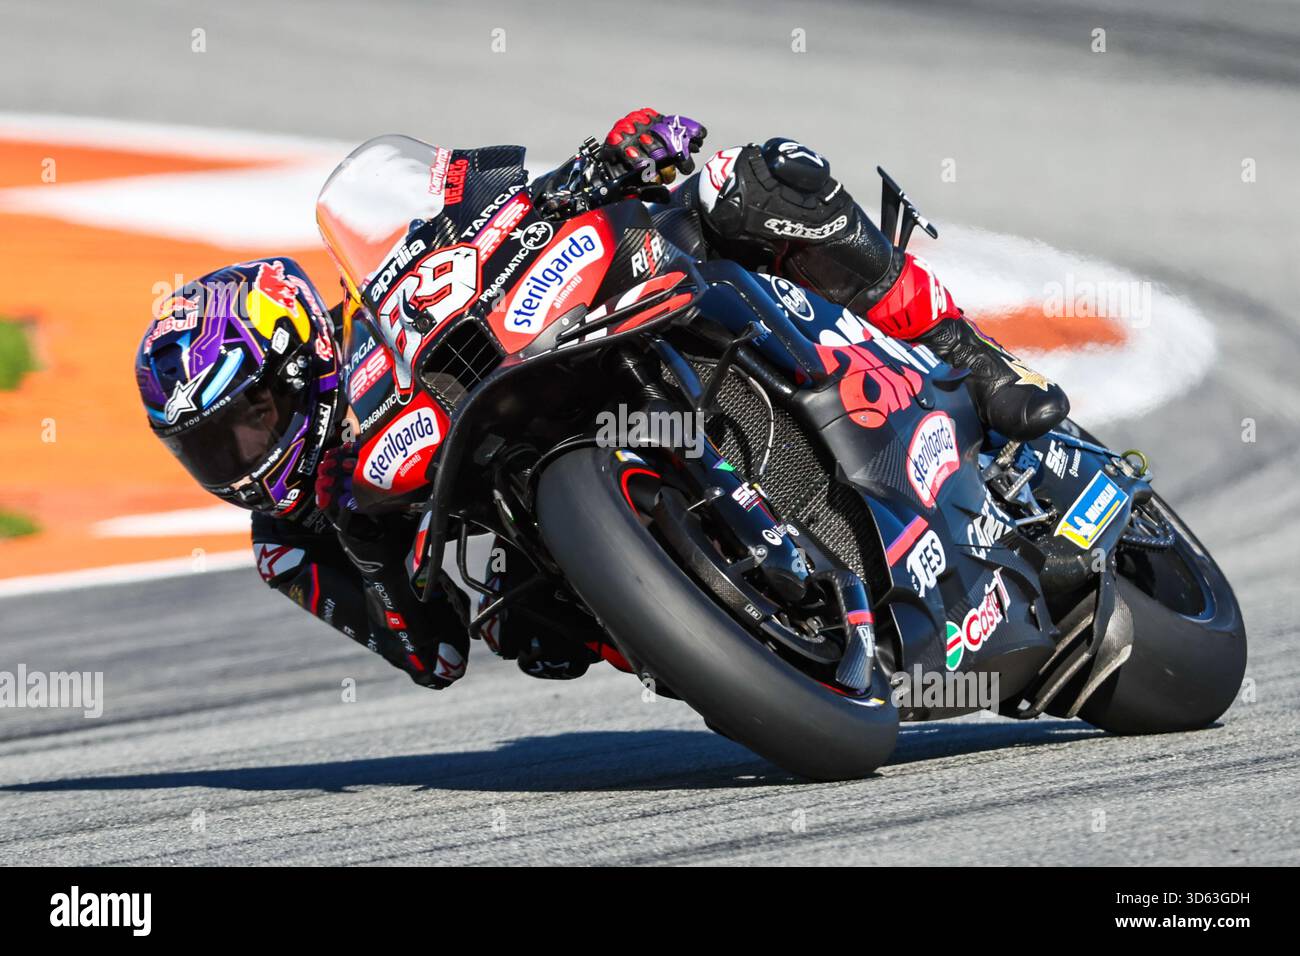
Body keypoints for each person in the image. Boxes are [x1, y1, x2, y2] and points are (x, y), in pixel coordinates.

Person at [134, 109, 1068, 691]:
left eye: (247, 418)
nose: (239, 458)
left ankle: (968, 354)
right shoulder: (289, 544)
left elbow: (470, 197)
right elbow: (433, 659)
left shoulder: (388, 309)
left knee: (747, 174)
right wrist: (379, 554)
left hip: (557, 350)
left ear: (303, 360)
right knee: (531, 632)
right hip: (567, 565)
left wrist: (599, 165)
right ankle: (741, 638)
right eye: (207, 449)